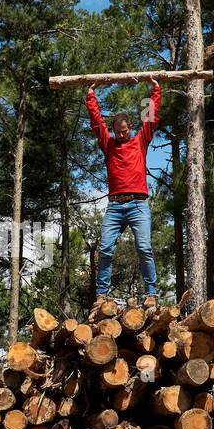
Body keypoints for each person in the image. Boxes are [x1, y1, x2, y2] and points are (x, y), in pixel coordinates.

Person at [86, 76, 161, 303]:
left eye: (125, 130)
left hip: (138, 204)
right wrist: (91, 95)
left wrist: (155, 90)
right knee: (106, 249)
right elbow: (97, 122)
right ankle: (101, 294)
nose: (122, 134)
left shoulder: (140, 141)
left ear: (130, 128)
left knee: (144, 248)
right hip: (116, 205)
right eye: (118, 131)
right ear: (113, 131)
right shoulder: (108, 145)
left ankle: (150, 294)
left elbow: (149, 119)